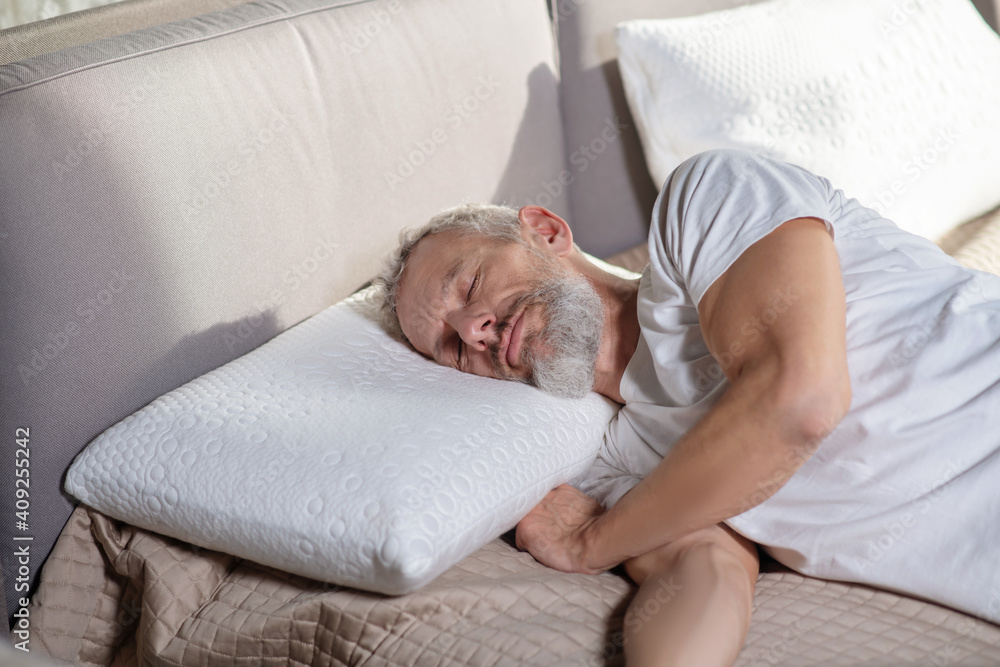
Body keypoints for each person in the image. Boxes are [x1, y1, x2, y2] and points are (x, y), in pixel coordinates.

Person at [374, 149, 1000, 666]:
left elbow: (801, 398)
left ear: (545, 230)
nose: (474, 328)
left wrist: (590, 544)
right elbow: (704, 572)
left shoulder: (708, 200)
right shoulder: (613, 464)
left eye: (468, 285)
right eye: (451, 347)